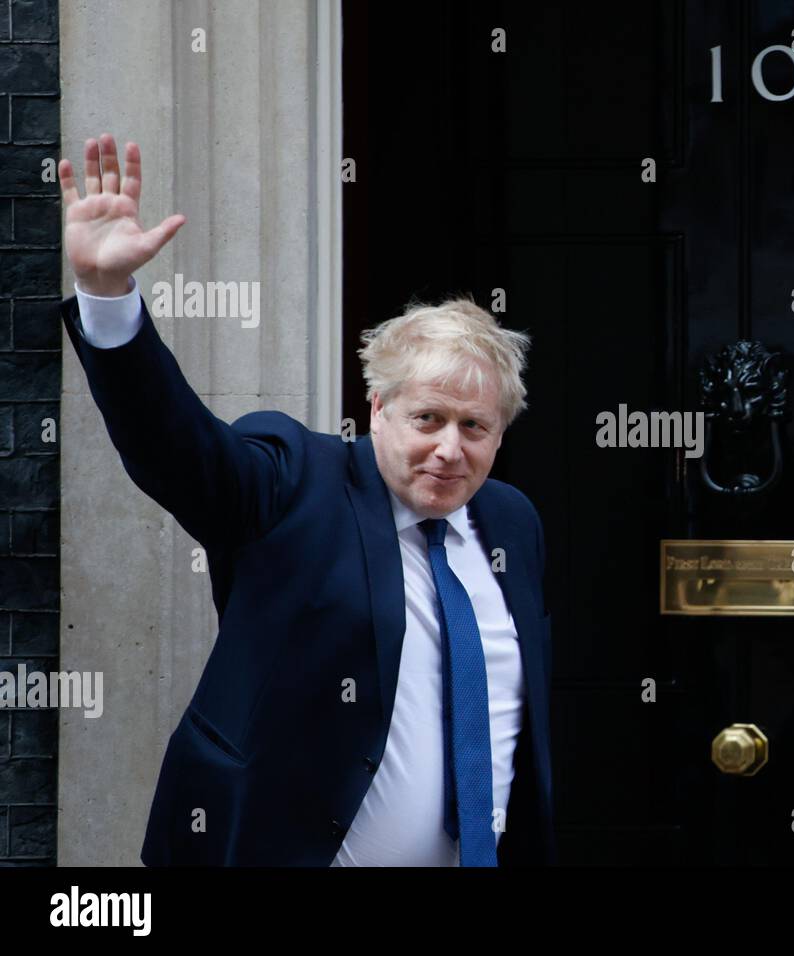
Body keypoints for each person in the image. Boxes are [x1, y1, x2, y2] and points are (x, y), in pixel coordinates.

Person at [57, 133, 553, 866]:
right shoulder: (296, 479)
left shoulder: (511, 520)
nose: (450, 448)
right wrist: (108, 299)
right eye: (428, 419)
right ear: (378, 408)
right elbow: (177, 450)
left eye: (474, 426)